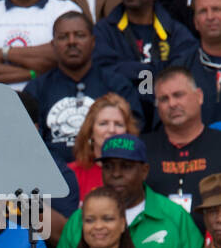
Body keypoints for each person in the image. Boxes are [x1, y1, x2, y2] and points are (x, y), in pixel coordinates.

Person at [54, 134, 201, 248]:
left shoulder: (175, 216)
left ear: (144, 171)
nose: (116, 174)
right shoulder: (81, 219)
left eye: (126, 166)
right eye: (108, 166)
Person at [25, 11, 140, 159]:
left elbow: (133, 134)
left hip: (107, 173)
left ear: (93, 42)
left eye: (79, 35)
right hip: (52, 175)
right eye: (63, 37)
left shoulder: (118, 85)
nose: (72, 42)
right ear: (53, 45)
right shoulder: (36, 89)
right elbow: (29, 143)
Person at [92, 0, 197, 108]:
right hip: (121, 115)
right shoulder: (104, 30)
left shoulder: (175, 30)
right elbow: (104, 71)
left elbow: (186, 67)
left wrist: (134, 72)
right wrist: (153, 71)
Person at [142, 67, 221, 215]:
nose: (172, 104)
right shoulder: (143, 149)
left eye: (178, 95)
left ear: (199, 96)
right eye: (164, 99)